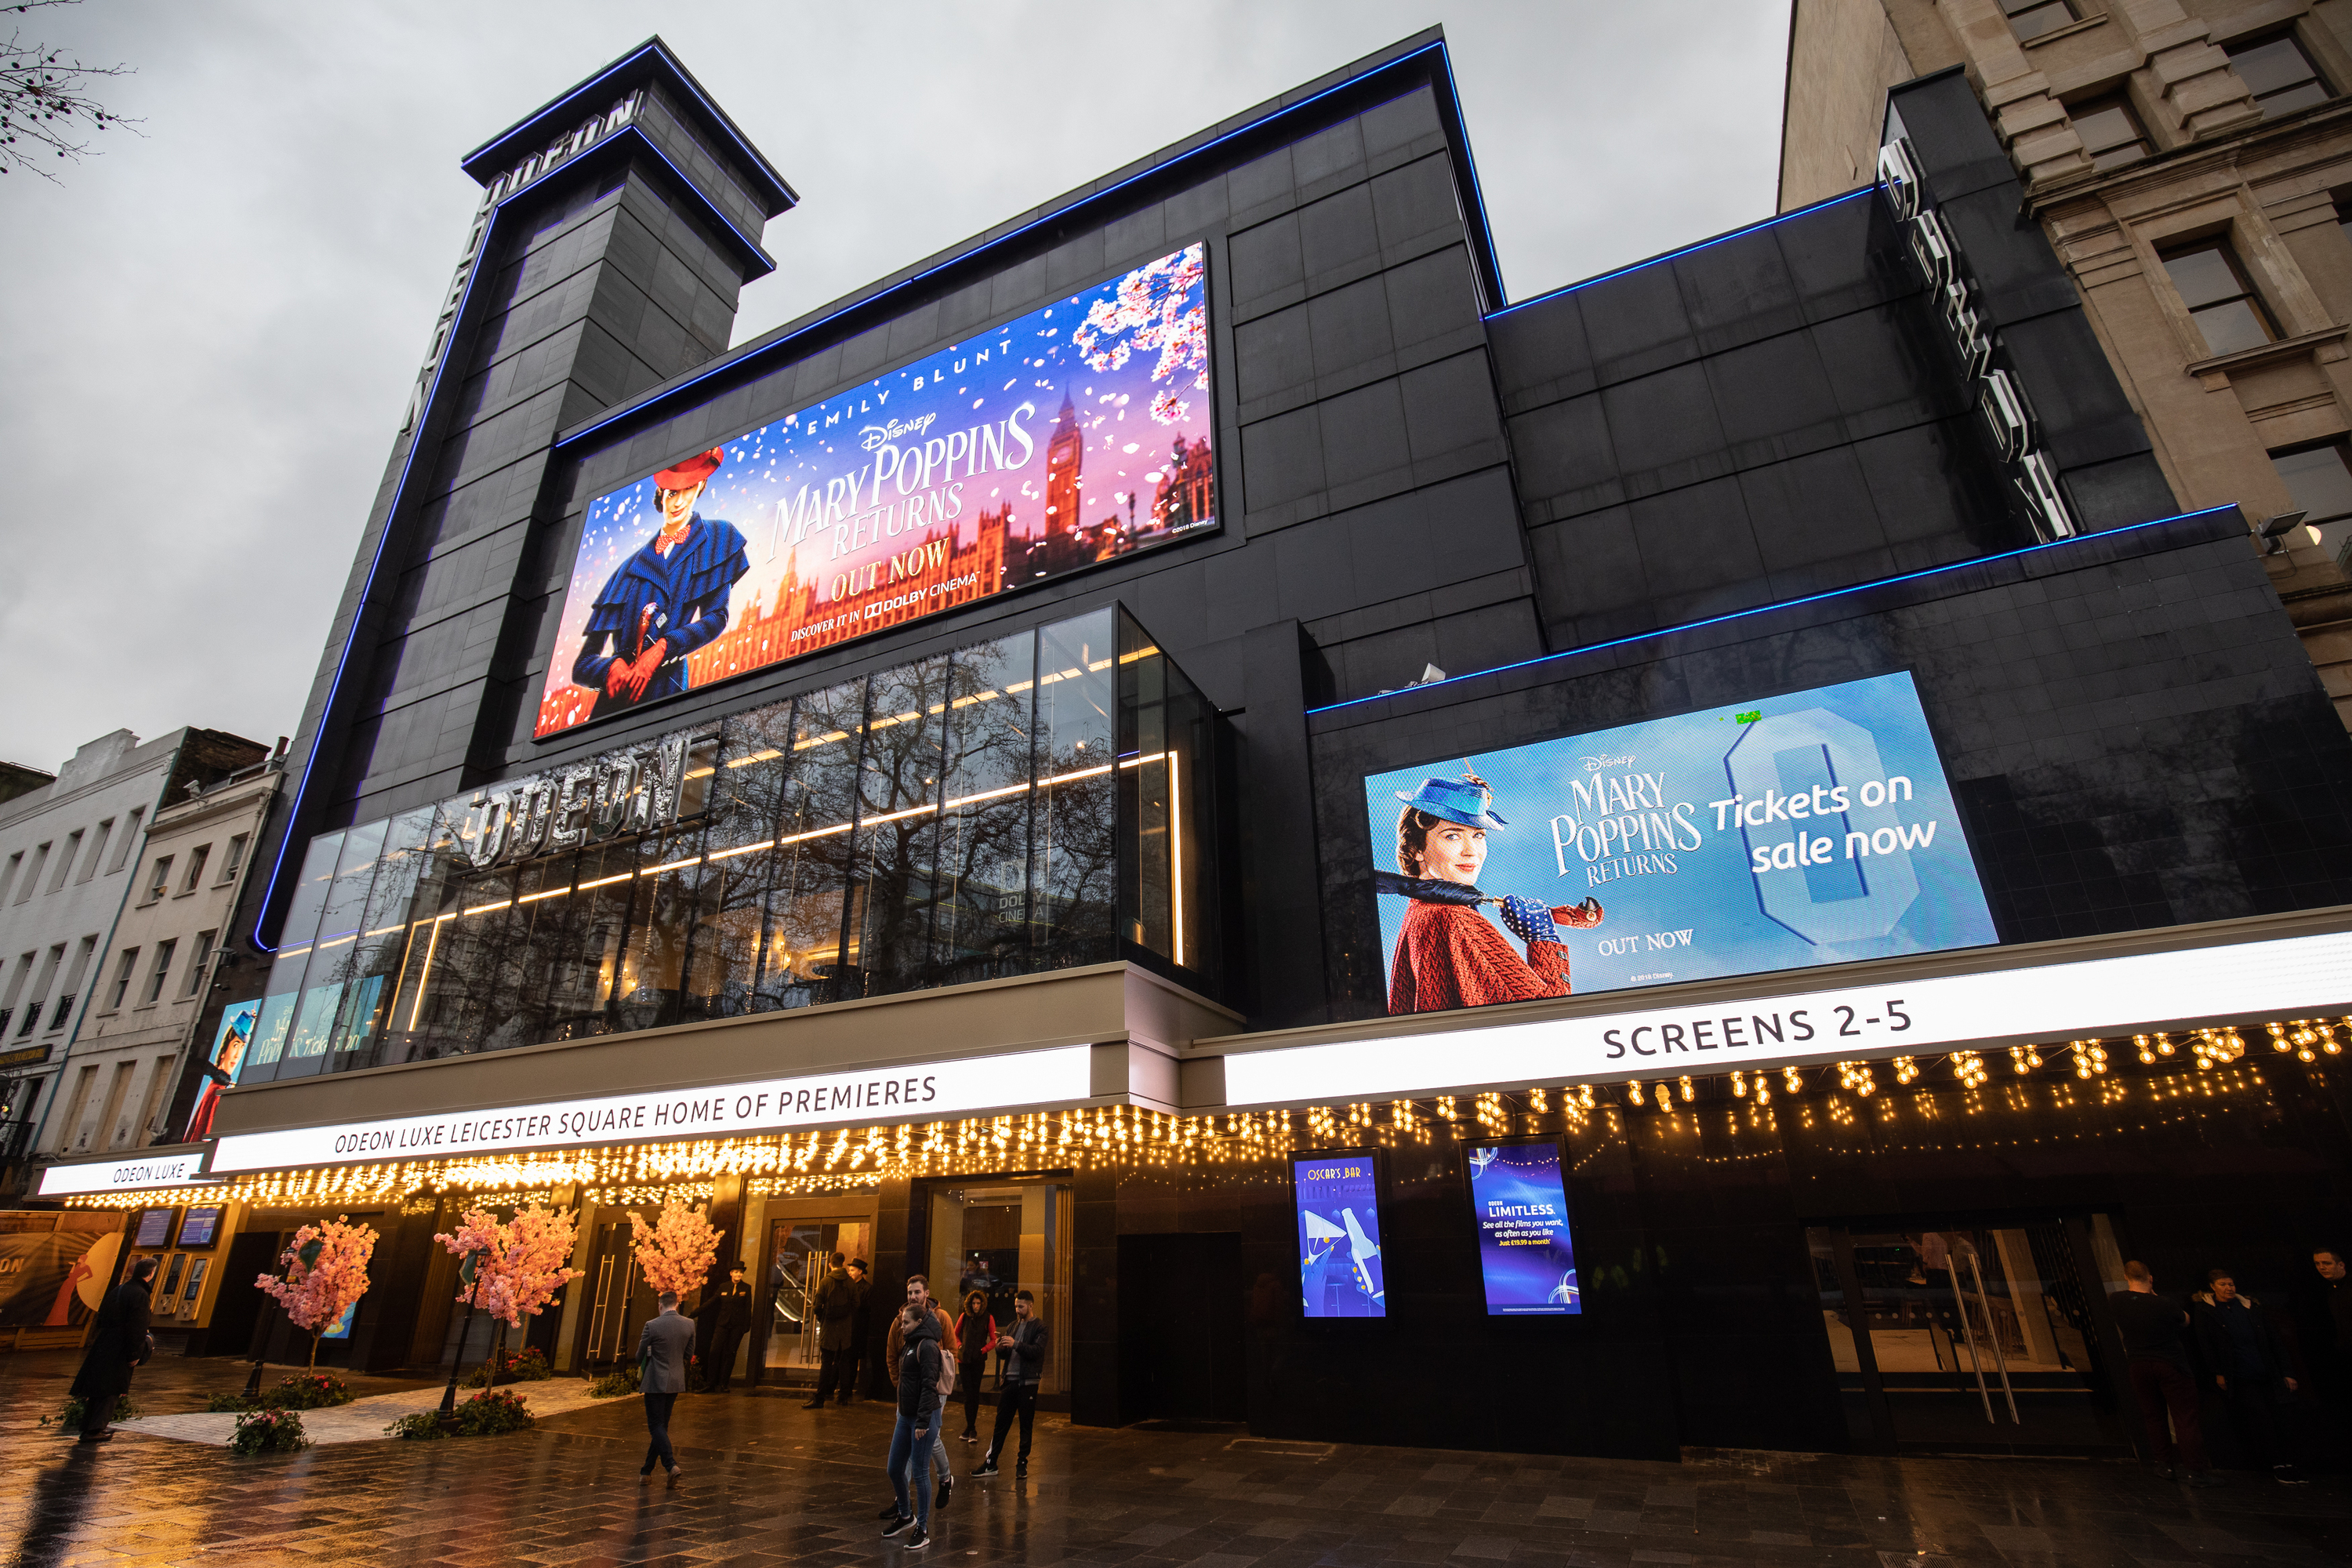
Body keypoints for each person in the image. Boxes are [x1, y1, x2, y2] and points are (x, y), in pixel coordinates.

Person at [1383, 772, 1602, 1014]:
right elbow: (1551, 1014)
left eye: (1478, 835)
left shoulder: (1420, 910)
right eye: (1453, 835)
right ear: (1416, 850)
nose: (1471, 851)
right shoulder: (1455, 919)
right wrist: (1543, 939)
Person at [568, 445, 750, 720]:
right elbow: (582, 664)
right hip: (611, 709)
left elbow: (716, 618)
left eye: (687, 489)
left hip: (668, 695)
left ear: (700, 486)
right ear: (662, 494)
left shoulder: (718, 537)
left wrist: (663, 648)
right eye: (673, 492)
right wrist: (612, 668)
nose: (678, 502)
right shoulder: (627, 569)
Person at [2110, 1261, 2219, 1485]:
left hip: (2138, 1363)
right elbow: (2185, 1320)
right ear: (2150, 1278)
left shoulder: (2116, 1300)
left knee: (2153, 1415)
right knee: (2184, 1417)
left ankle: (2164, 1465)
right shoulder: (2163, 1303)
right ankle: (2195, 1470)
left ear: (2126, 1278)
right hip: (2169, 1362)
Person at [2193, 1269, 2307, 1483]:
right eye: (2223, 1285)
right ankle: (2275, 1462)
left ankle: (2290, 1461)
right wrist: (2218, 1373)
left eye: (2231, 1284)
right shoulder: (2206, 1311)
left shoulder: (2249, 1307)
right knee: (2260, 1417)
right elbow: (2206, 1345)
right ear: (2212, 1287)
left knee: (2280, 1417)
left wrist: (2286, 1372)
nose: (2229, 1288)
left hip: (2265, 1370)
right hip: (2240, 1374)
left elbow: (2273, 1341)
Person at [883, 1276, 959, 1517]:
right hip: (907, 1394)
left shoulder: (941, 1318)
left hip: (933, 1389)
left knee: (930, 1438)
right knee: (905, 1441)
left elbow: (951, 1352)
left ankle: (945, 1478)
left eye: (917, 1292)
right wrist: (901, 1386)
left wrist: (938, 1380)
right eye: (909, 1292)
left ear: (927, 1293)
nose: (913, 1296)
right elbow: (892, 1356)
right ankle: (901, 1498)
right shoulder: (899, 1322)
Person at [70, 1255, 156, 1445]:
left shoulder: (119, 1289)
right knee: (111, 1389)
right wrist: (135, 1354)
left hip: (105, 1342)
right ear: (150, 1274)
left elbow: (101, 1318)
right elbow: (138, 1326)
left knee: (97, 1387)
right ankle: (96, 1429)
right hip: (121, 1346)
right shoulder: (141, 1295)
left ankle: (88, 1427)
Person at [883, 1301, 946, 1550]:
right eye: (901, 1322)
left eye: (906, 1322)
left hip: (923, 1420)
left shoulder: (927, 1346)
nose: (902, 1326)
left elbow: (929, 1385)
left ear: (918, 1322)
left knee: (919, 1473)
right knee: (894, 1468)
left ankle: (923, 1528)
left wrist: (922, 1421)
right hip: (905, 1417)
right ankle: (906, 1515)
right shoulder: (909, 1342)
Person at [975, 1289, 1047, 1479]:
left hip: (1028, 1382)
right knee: (1001, 1423)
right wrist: (1001, 1347)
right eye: (1016, 1306)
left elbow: (1036, 1351)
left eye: (1021, 1306)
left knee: (1025, 1423)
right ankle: (991, 1462)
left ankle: (1022, 1462)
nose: (1018, 1309)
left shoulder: (1040, 1327)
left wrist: (1015, 1344)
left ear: (1030, 1306)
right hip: (1010, 1379)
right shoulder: (1013, 1326)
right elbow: (1007, 1354)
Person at [637, 1290, 696, 1483]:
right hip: (675, 1380)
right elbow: (688, 1355)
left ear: (660, 1305)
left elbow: (639, 1356)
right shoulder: (689, 1324)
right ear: (677, 1304)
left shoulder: (652, 1326)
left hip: (655, 1380)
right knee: (662, 1426)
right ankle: (646, 1472)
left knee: (655, 1425)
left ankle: (671, 1465)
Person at [808, 1251, 856, 1407]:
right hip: (845, 1329)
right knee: (844, 1363)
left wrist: (823, 1319)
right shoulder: (850, 1282)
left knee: (826, 1363)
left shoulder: (825, 1281)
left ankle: (820, 1398)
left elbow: (817, 1305)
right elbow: (856, 1304)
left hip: (829, 1327)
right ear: (843, 1263)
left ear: (830, 1264)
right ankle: (843, 1396)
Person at [953, 1288, 998, 1442]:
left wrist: (983, 1350)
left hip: (978, 1360)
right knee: (968, 1394)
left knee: (974, 1393)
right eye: (974, 1303)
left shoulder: (988, 1318)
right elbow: (955, 1333)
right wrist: (959, 1345)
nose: (976, 1306)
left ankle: (970, 1428)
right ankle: (970, 1427)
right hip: (964, 1359)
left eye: (978, 1303)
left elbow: (994, 1339)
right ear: (970, 1304)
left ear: (982, 1304)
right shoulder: (964, 1316)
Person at [703, 1261, 753, 1393]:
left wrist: (746, 1326)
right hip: (722, 1324)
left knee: (730, 1354)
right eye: (736, 1272)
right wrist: (696, 1312)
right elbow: (712, 1301)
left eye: (741, 1272)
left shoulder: (746, 1288)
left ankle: (724, 1383)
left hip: (737, 1326)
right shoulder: (723, 1287)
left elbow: (748, 1308)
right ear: (731, 1273)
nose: (739, 1274)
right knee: (714, 1351)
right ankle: (710, 1383)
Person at [845, 1258, 873, 1398]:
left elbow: (867, 1309)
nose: (850, 1273)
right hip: (846, 1328)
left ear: (860, 1272)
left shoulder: (867, 1288)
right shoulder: (847, 1286)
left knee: (852, 1360)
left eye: (852, 1270)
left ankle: (848, 1389)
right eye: (849, 1270)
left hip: (857, 1329)